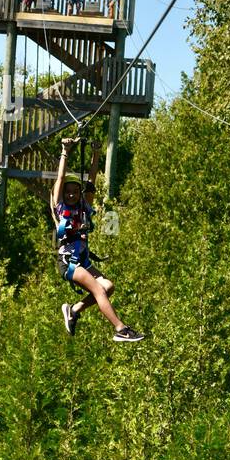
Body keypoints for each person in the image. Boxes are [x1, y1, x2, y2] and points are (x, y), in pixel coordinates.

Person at [52, 137, 143, 344]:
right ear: (64, 194)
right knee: (98, 289)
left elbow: (91, 182)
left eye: (76, 192)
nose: (73, 195)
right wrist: (65, 151)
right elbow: (59, 181)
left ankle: (74, 309)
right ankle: (120, 328)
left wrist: (96, 153)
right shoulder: (60, 207)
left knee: (108, 286)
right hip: (69, 261)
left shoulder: (84, 206)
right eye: (69, 192)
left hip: (83, 260)